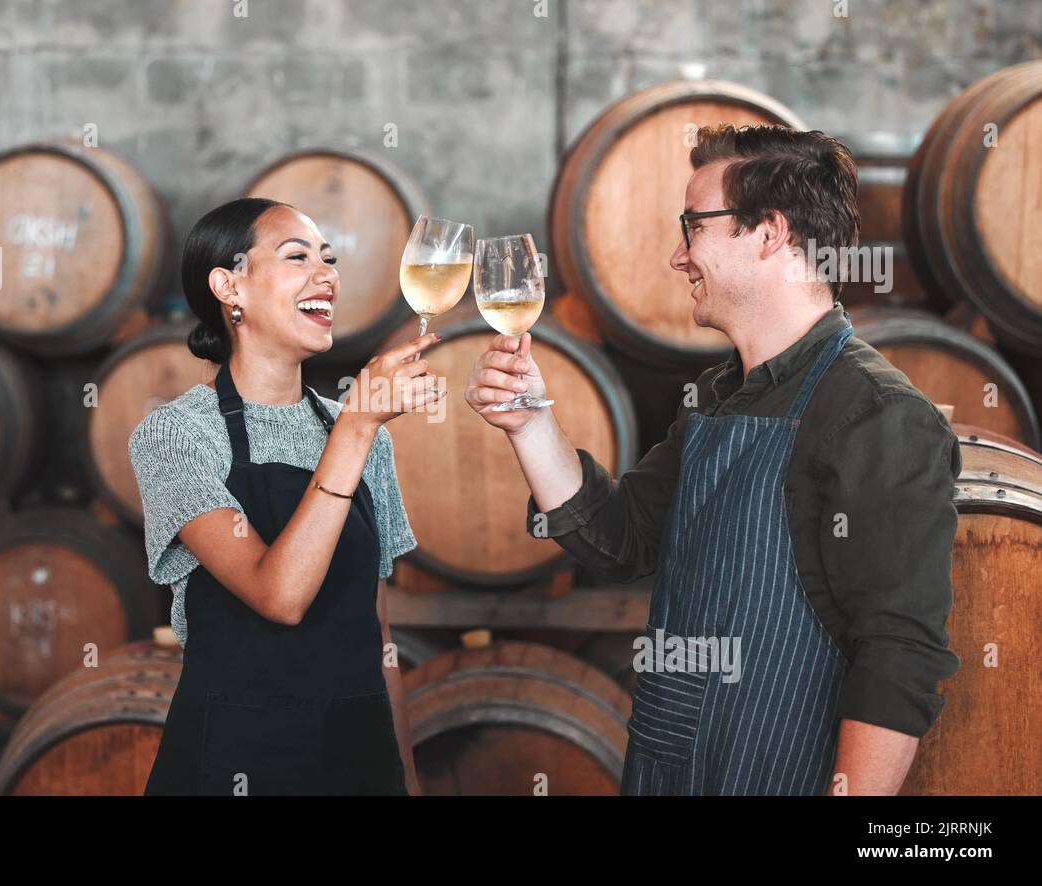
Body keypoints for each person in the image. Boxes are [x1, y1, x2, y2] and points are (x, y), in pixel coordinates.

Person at [465, 124, 961, 796]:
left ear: (769, 234)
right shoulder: (716, 395)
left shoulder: (878, 415)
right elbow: (621, 540)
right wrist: (530, 425)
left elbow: (900, 657)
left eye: (693, 226)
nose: (678, 255)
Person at [129, 197, 443, 795]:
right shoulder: (177, 435)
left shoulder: (362, 435)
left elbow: (377, 636)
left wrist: (407, 779)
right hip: (236, 758)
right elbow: (279, 596)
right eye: (297, 256)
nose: (327, 274)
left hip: (359, 761)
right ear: (230, 287)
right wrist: (355, 428)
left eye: (328, 259)